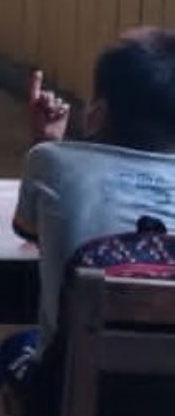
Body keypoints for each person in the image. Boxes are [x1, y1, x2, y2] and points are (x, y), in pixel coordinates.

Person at [15, 30, 175, 332]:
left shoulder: (50, 161)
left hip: (71, 376)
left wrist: (46, 143)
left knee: (17, 346)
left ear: (97, 114)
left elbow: (32, 234)